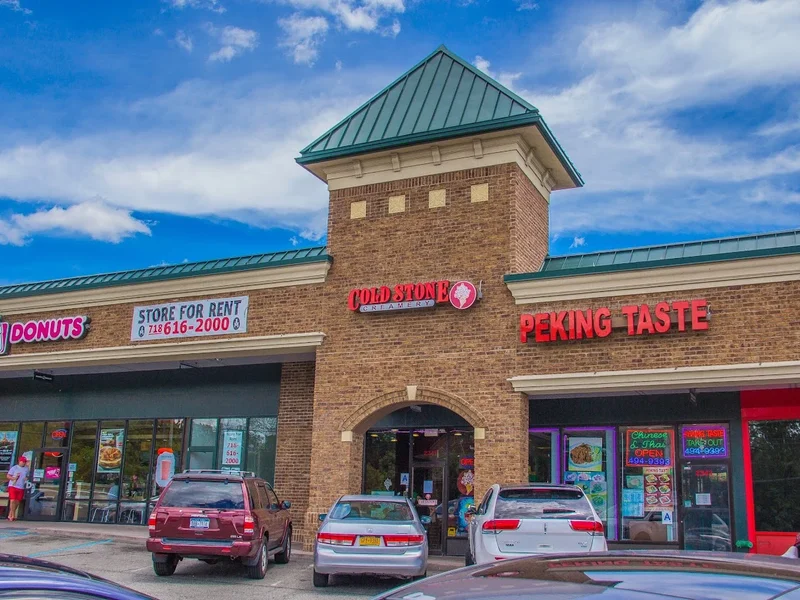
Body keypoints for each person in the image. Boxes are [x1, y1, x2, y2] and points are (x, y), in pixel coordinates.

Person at [5, 456, 29, 521]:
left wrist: (27, 478)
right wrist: (13, 478)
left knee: (17, 502)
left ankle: (10, 514)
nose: (23, 463)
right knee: (12, 500)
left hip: (21, 487)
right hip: (13, 486)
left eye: (24, 462)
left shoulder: (26, 469)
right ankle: (13, 515)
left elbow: (28, 476)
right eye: (22, 462)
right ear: (19, 461)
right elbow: (8, 476)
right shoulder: (14, 468)